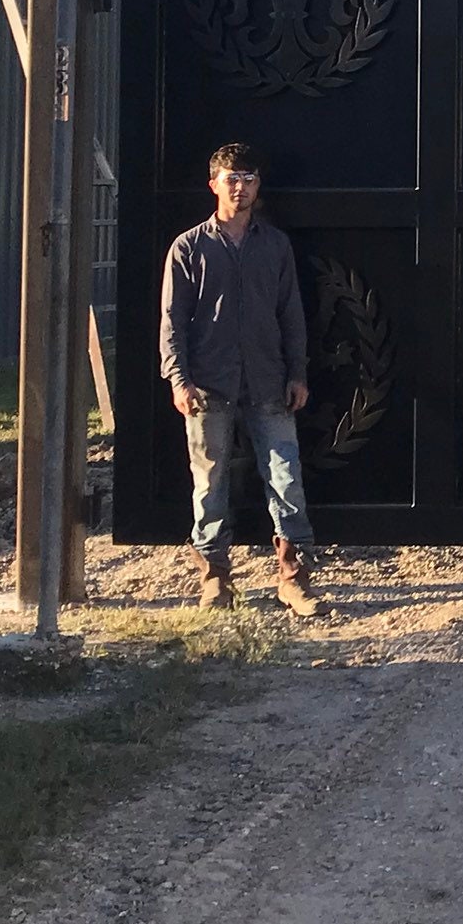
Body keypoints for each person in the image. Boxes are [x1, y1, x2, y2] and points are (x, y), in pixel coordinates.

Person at [159, 141, 322, 617]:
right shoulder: (189, 247)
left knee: (286, 479)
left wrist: (298, 373)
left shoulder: (274, 246)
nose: (241, 187)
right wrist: (178, 379)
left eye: (249, 179)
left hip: (269, 382)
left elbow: (291, 313)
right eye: (232, 179)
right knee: (210, 485)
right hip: (208, 386)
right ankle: (214, 578)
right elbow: (172, 319)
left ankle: (293, 579)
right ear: (214, 185)